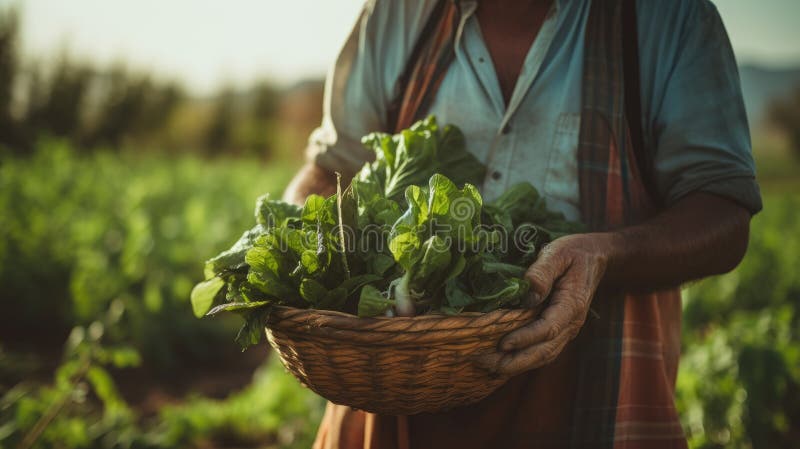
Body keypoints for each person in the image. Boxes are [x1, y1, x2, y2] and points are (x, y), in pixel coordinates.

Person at [283, 0, 762, 448]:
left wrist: (602, 255)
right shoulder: (400, 12)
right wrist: (301, 236)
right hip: (391, 380)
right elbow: (330, 171)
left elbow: (723, 211)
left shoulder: (667, 18)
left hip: (591, 384)